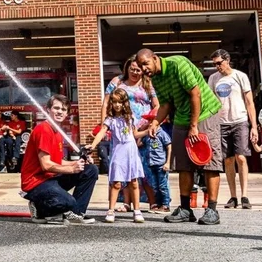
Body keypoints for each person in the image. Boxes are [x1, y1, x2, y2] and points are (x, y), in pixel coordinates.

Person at [136, 48, 224, 225]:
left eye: (145, 63)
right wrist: (155, 123)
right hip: (182, 117)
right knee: (183, 164)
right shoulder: (156, 78)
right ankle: (185, 209)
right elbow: (166, 104)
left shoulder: (178, 65)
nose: (144, 69)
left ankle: (212, 210)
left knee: (209, 162)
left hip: (205, 113)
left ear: (154, 58)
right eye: (140, 66)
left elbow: (195, 94)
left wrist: (194, 126)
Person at [20, 94, 98, 225]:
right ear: (48, 109)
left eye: (63, 109)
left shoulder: (57, 132)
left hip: (50, 179)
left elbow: (57, 161)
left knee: (91, 170)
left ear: (67, 113)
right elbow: (46, 165)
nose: (60, 112)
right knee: (68, 202)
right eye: (56, 108)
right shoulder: (43, 130)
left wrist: (78, 163)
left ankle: (76, 213)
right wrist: (71, 169)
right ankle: (39, 207)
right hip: (36, 183)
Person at [102, 55, 159, 211]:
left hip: (143, 129)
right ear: (126, 68)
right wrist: (104, 126)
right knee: (122, 167)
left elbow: (156, 105)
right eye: (132, 68)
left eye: (138, 69)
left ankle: (152, 201)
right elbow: (106, 102)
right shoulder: (117, 82)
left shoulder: (148, 83)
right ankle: (125, 203)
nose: (135, 72)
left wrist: (150, 124)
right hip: (120, 131)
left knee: (145, 167)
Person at [207, 49, 258, 210]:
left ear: (227, 60)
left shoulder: (240, 76)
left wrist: (254, 126)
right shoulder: (213, 79)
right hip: (221, 123)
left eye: (219, 63)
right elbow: (210, 103)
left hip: (240, 120)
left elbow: (250, 102)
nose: (217, 67)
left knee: (241, 157)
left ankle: (244, 195)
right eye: (214, 64)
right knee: (228, 160)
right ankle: (233, 196)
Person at [89, 88, 147, 224]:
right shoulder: (110, 120)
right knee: (116, 183)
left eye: (120, 102)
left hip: (131, 152)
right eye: (114, 102)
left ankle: (137, 210)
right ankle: (111, 210)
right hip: (118, 153)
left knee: (134, 182)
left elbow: (135, 134)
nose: (117, 105)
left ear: (125, 102)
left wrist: (147, 131)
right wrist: (92, 145)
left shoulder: (130, 118)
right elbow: (102, 132)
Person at [145, 122, 172, 212]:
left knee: (162, 186)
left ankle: (165, 205)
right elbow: (139, 143)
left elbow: (169, 147)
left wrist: (167, 162)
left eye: (152, 122)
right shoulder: (148, 135)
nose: (150, 124)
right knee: (155, 186)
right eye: (149, 122)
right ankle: (159, 204)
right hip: (151, 164)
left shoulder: (162, 134)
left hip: (161, 164)